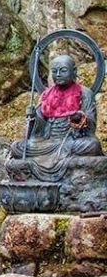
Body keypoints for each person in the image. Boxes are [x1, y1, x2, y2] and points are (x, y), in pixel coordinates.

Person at [9, 54, 103, 182]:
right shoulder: (46, 95)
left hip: (69, 141)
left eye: (63, 70)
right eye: (54, 71)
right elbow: (39, 128)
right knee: (17, 147)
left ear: (74, 71)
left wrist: (78, 118)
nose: (58, 74)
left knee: (92, 145)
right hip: (47, 142)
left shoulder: (84, 93)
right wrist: (33, 117)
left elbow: (91, 124)